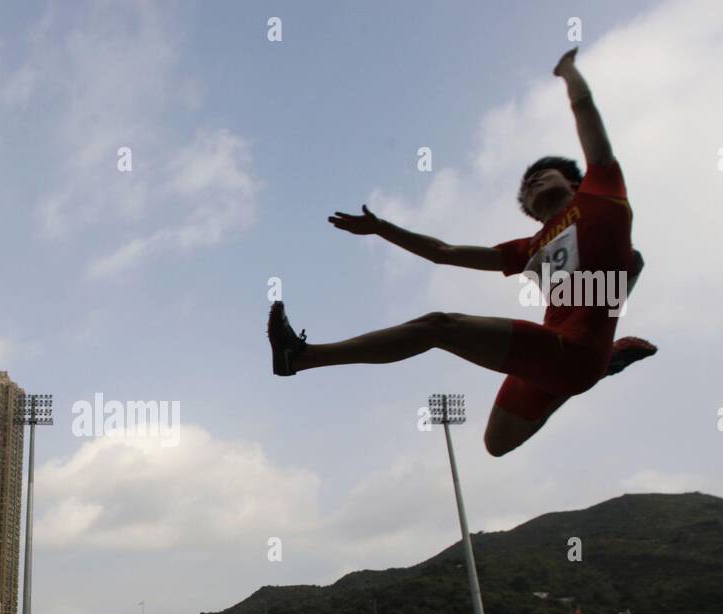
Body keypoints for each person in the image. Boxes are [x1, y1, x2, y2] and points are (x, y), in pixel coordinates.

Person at [268, 47, 657, 456]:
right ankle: (600, 367)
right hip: (554, 355)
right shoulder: (530, 247)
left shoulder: (603, 191)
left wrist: (568, 72)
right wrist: (382, 229)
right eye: (526, 187)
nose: (533, 182)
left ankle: (303, 357)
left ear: (575, 181)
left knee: (440, 326)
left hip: (576, 350)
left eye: (542, 174)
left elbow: (585, 113)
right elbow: (444, 252)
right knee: (497, 443)